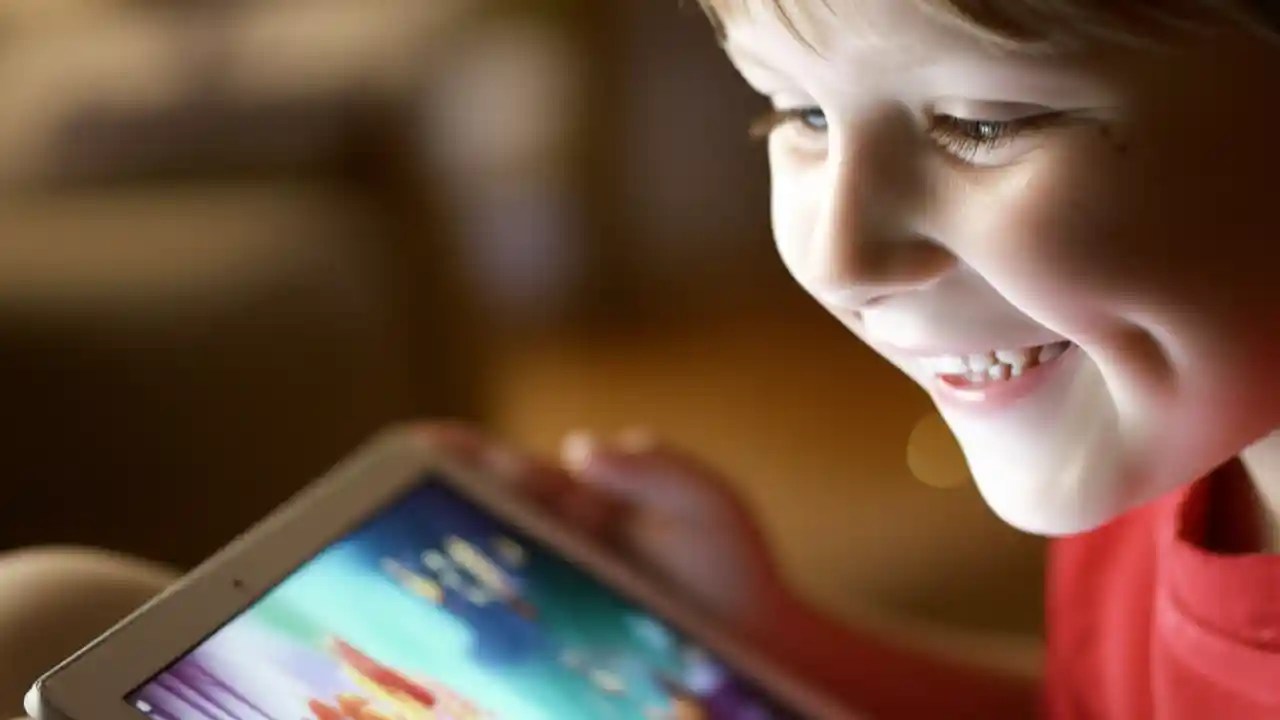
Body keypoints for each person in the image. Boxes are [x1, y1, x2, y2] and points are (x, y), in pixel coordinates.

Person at [3, 0, 1279, 717]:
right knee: (45, 616)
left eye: (982, 123)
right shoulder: (1167, 425)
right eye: (798, 113)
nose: (838, 250)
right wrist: (769, 634)